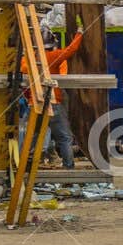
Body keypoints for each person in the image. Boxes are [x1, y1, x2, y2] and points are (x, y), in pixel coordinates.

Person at [19, 28, 86, 169]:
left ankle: (25, 167)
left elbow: (24, 70)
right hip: (53, 102)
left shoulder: (27, 60)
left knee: (32, 137)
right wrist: (79, 33)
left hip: (35, 104)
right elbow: (71, 49)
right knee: (64, 138)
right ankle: (69, 169)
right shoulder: (54, 56)